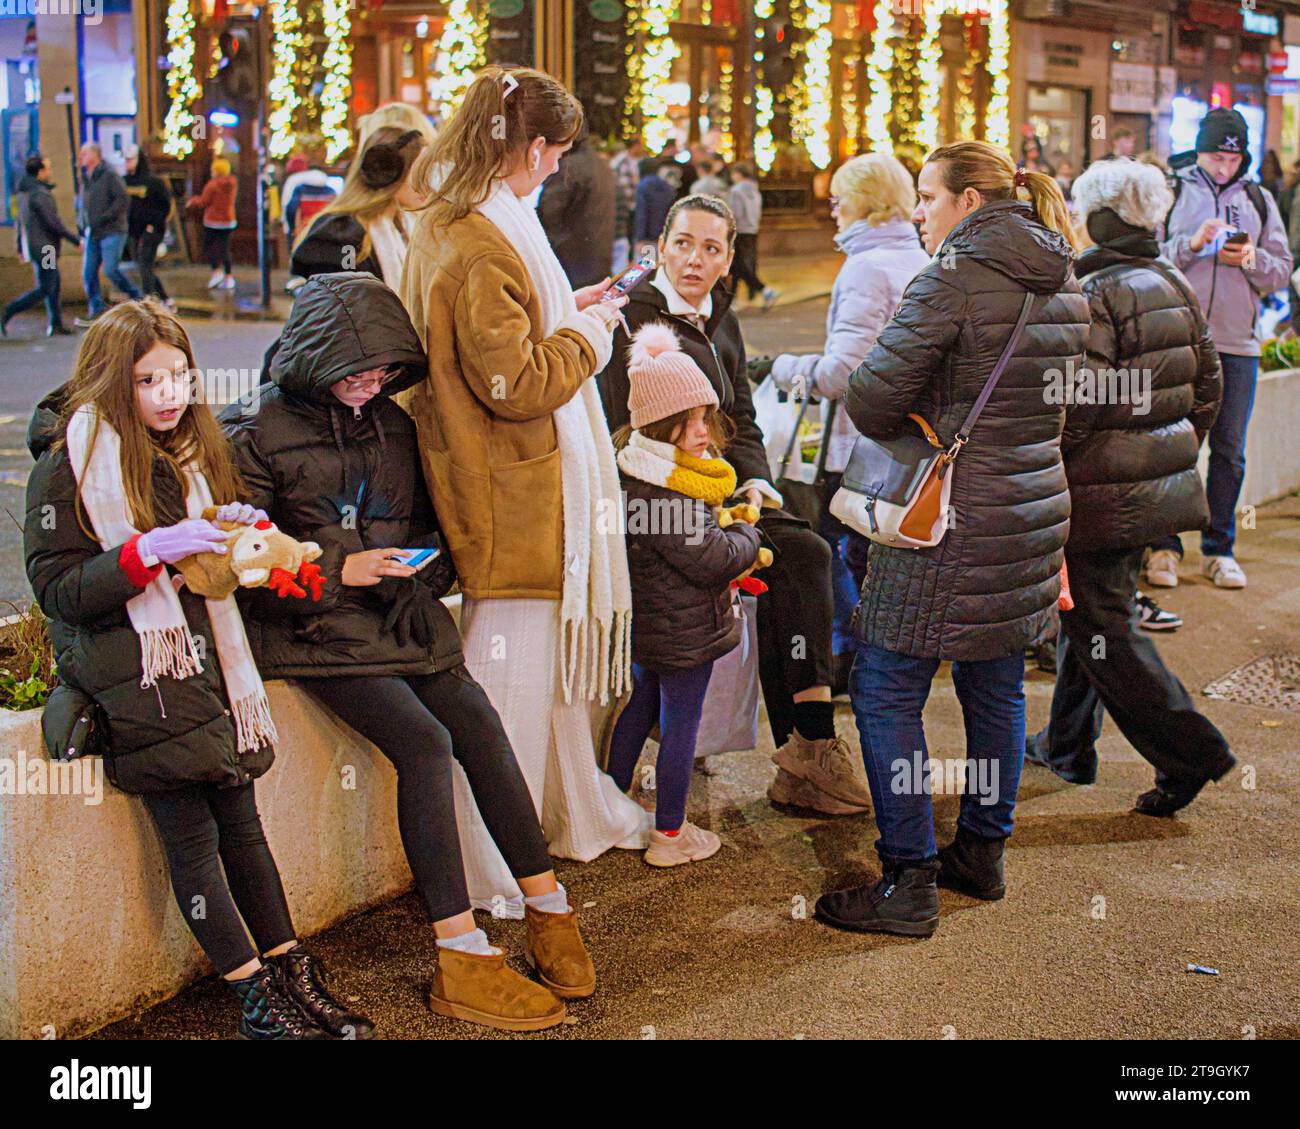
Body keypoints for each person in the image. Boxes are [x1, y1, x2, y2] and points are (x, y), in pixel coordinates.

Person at [223, 272, 594, 1032]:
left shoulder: (391, 423)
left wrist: (422, 565)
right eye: (355, 369)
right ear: (312, 359)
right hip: (310, 628)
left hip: (397, 615)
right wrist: (339, 567)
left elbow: (427, 524)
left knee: (479, 725)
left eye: (384, 370)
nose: (371, 383)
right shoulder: (252, 432)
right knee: (425, 743)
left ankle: (548, 904)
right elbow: (242, 561)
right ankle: (459, 952)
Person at [24, 299, 367, 1040]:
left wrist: (233, 546)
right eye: (149, 380)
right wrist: (152, 551)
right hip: (135, 676)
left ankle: (290, 969)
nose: (170, 393)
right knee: (194, 844)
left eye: (179, 375)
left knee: (245, 828)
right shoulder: (69, 465)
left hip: (204, 665)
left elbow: (208, 572)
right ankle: (254, 997)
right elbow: (59, 591)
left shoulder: (189, 453)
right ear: (116, 380)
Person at [815, 141, 1090, 937]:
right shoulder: (1063, 279)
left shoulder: (952, 278)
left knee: (885, 688)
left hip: (942, 521)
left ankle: (908, 879)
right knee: (995, 687)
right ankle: (981, 852)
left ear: (969, 201)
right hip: (1029, 510)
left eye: (928, 198)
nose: (918, 212)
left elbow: (870, 400)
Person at [400, 66, 650, 910]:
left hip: (509, 483)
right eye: (556, 154)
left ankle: (536, 835)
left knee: (532, 689)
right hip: (512, 494)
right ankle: (488, 871)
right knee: (506, 693)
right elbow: (518, 383)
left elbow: (500, 342)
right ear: (532, 148)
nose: (555, 170)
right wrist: (587, 334)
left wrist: (566, 310)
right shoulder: (484, 238)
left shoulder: (462, 221)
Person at [597, 193, 864, 810]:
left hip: (718, 485)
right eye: (684, 243)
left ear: (729, 258)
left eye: (711, 248)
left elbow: (738, 415)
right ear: (660, 246)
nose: (695, 259)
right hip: (653, 494)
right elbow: (620, 428)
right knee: (796, 555)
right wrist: (708, 493)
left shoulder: (721, 313)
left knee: (802, 548)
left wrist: (755, 481)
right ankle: (809, 744)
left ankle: (807, 743)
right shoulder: (632, 316)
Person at [1026, 158, 1236, 815]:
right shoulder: (1168, 278)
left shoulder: (1097, 291)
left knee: (1103, 623)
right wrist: (1168, 458)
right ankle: (1066, 744)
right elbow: (1209, 385)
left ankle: (1190, 749)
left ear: (1098, 218)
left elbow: (1076, 405)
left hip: (1100, 492)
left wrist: (1054, 463)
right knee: (1087, 615)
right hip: (1147, 490)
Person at [768, 153, 929, 765]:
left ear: (867, 201)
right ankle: (871, 654)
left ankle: (848, 658)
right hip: (900, 443)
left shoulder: (866, 268)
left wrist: (782, 369)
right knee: (869, 556)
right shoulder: (917, 258)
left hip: (856, 442)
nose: (831, 205)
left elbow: (842, 372)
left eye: (839, 196)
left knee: (835, 548)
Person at [605, 323, 762, 864]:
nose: (702, 432)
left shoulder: (640, 471)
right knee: (681, 727)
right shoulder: (666, 491)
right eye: (685, 421)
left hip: (656, 627)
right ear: (656, 424)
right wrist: (749, 531)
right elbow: (713, 557)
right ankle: (670, 835)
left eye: (704, 417)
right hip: (684, 630)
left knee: (641, 705)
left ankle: (613, 796)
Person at [1149, 108, 1293, 590]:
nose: (1223, 167)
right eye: (1216, 156)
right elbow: (1148, 258)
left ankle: (1220, 547)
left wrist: (1248, 256)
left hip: (1238, 344)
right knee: (1175, 446)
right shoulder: (1172, 190)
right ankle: (1165, 547)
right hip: (1178, 338)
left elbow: (1280, 269)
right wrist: (1189, 244)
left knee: (1229, 451)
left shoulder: (1260, 198)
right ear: (1200, 150)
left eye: (1233, 158)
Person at [290, 127, 428, 288]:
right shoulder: (340, 235)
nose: (428, 182)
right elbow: (343, 304)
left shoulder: (404, 226)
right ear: (387, 173)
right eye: (419, 171)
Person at [2, 155, 80, 338]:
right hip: (46, 248)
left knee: (54, 283)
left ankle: (55, 323)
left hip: (37, 246)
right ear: (40, 172)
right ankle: (9, 310)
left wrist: (20, 247)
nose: (50, 172)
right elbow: (53, 223)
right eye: (48, 169)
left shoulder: (25, 193)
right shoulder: (39, 194)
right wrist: (75, 240)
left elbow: (20, 223)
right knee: (47, 286)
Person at [74, 142, 140, 327]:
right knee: (89, 273)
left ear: (95, 156)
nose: (81, 158)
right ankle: (96, 310)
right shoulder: (86, 178)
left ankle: (138, 297)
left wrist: (105, 218)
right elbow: (82, 203)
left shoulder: (109, 175)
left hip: (112, 230)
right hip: (92, 232)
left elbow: (122, 199)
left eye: (84, 154)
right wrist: (82, 225)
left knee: (111, 269)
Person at [538, 136, 617, 288]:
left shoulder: (569, 167)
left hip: (571, 262)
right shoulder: (601, 164)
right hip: (596, 260)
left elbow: (548, 211)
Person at [124, 145, 173, 307]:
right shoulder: (124, 181)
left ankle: (147, 302)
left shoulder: (154, 182)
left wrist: (154, 223)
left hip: (151, 230)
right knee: (144, 266)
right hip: (133, 230)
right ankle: (165, 298)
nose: (127, 163)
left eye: (130, 159)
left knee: (145, 264)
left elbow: (166, 205)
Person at [728, 162, 777, 309]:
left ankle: (764, 289)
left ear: (738, 174)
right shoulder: (755, 191)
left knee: (737, 265)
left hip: (740, 230)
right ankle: (732, 298)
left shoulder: (736, 191)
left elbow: (735, 213)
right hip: (752, 230)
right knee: (739, 264)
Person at [186, 157, 239, 291]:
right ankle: (229, 277)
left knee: (210, 247)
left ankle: (216, 272)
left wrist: (192, 201)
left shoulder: (212, 185)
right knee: (225, 248)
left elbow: (204, 202)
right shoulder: (232, 184)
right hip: (228, 221)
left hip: (213, 221)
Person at [633, 158, 679, 260]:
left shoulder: (643, 186)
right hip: (662, 237)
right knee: (658, 271)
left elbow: (641, 213)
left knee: (644, 271)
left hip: (646, 239)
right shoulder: (668, 187)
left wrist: (640, 238)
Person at [610, 138, 644, 274]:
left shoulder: (635, 161)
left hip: (632, 205)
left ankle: (629, 264)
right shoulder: (621, 161)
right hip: (625, 205)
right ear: (634, 145)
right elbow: (623, 185)